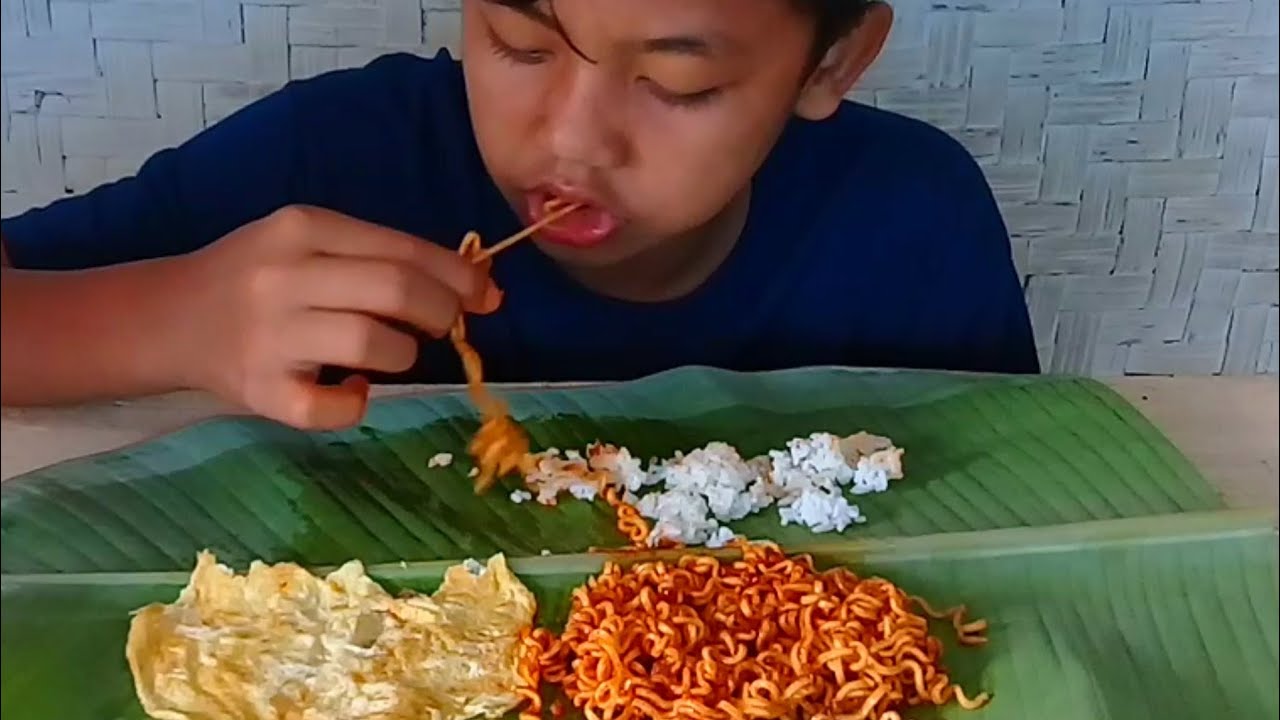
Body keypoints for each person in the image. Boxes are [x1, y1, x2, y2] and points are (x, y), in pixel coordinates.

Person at [0, 0, 1038, 431]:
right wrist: (175, 317)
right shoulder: (328, 161)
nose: (571, 142)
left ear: (831, 63)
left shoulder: (913, 222)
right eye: (518, 45)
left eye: (677, 85)